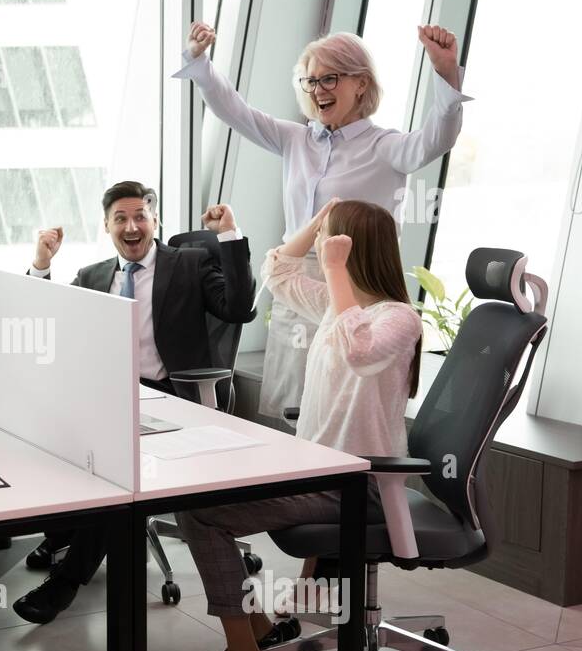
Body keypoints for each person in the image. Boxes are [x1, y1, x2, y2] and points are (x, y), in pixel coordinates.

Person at [173, 198, 422, 651]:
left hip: (360, 485)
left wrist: (334, 270)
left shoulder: (400, 319)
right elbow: (277, 269)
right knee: (197, 504)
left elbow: (361, 352)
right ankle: (258, 631)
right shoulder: (337, 308)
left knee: (204, 518)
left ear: (356, 252)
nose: (322, 251)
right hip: (317, 474)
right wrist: (320, 220)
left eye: (333, 241)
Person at [173, 21, 468, 419]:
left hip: (355, 287)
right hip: (294, 283)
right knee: (286, 406)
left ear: (360, 84)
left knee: (339, 402)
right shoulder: (295, 139)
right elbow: (233, 111)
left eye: (329, 78)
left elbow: (438, 138)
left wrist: (446, 74)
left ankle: (337, 481)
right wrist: (198, 60)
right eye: (310, 82)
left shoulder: (387, 147)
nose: (318, 91)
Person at [13, 180, 256, 624]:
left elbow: (240, 308)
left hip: (171, 396)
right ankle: (62, 530)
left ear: (155, 221)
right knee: (43, 431)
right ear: (106, 226)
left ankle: (65, 581)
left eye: (140, 216)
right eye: (120, 218)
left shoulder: (190, 262)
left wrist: (230, 236)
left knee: (117, 471)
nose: (131, 226)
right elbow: (42, 324)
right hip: (109, 396)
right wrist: (41, 265)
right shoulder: (92, 276)